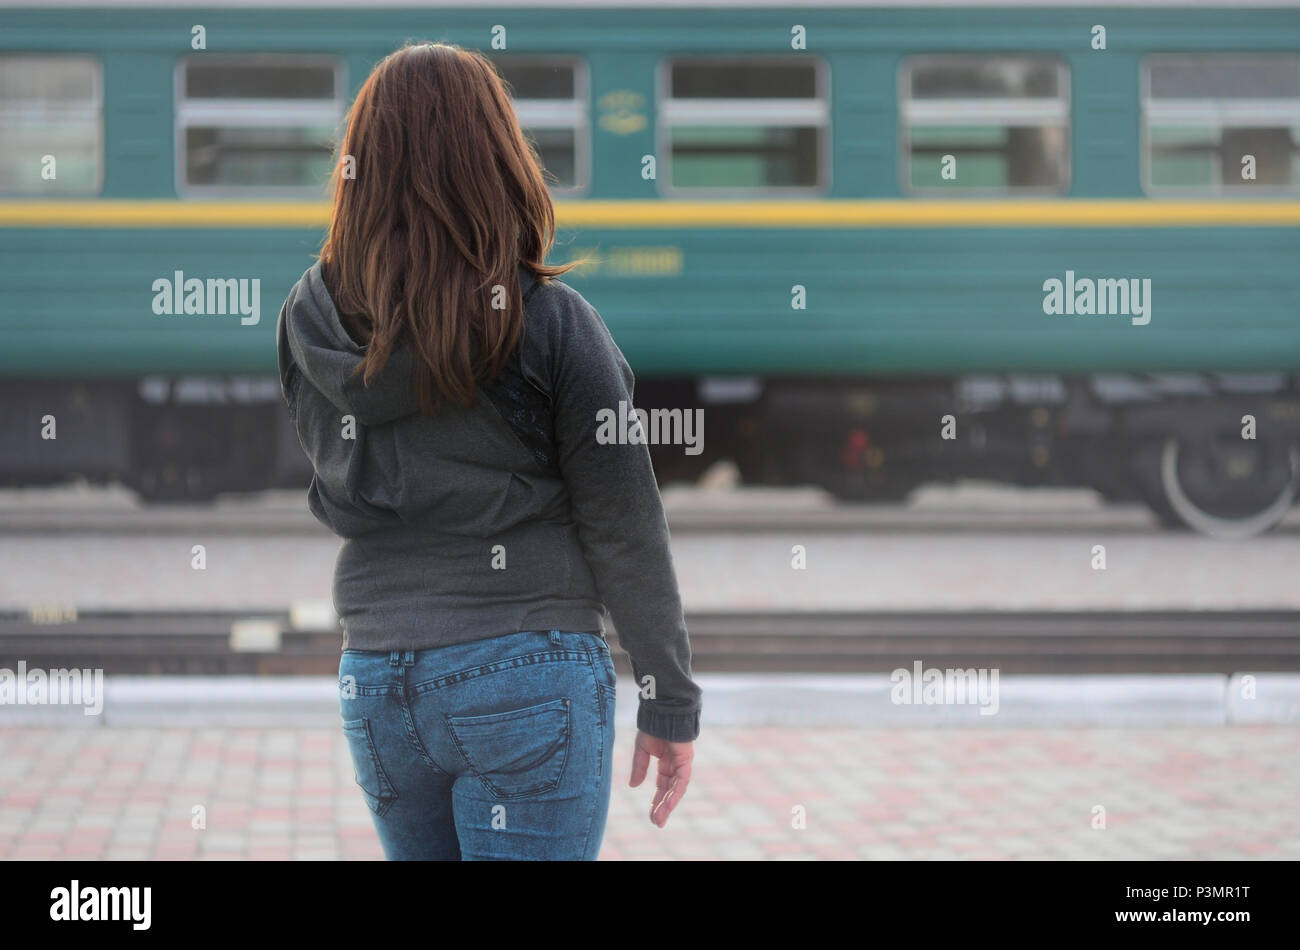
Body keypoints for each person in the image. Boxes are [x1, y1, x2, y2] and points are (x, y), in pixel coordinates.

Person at [275, 42, 701, 860]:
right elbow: (624, 522)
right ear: (497, 158)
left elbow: (342, 484)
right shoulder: (548, 321)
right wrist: (668, 700)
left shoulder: (310, 326)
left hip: (376, 677)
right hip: (526, 670)